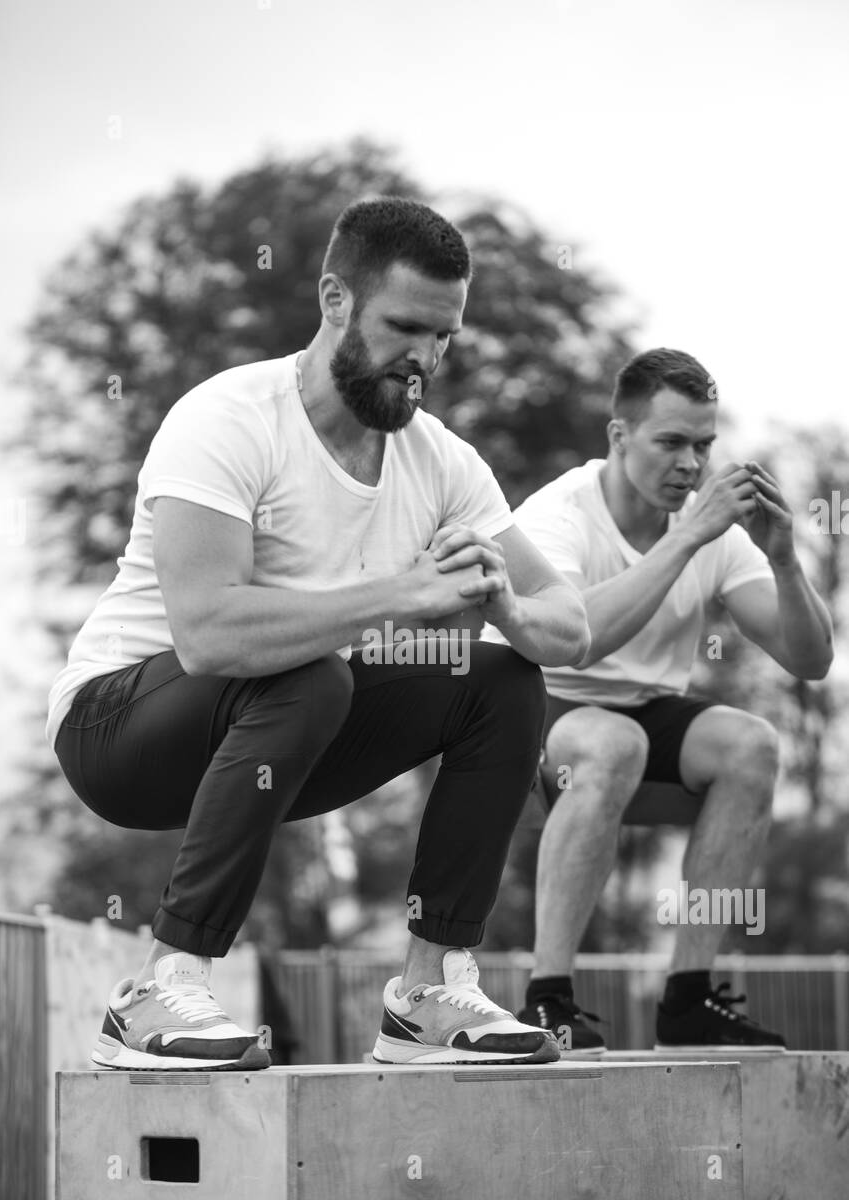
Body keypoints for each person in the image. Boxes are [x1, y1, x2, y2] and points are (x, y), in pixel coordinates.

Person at [45, 196, 590, 1070]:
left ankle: (427, 996)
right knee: (309, 677)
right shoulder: (228, 417)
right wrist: (399, 595)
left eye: (445, 338)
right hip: (119, 728)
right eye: (405, 327)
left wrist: (507, 610)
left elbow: (570, 626)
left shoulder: (443, 462)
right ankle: (156, 989)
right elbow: (210, 636)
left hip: (281, 738)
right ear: (336, 300)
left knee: (501, 680)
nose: (424, 360)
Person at [502, 348, 833, 1053]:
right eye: (672, 442)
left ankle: (688, 999)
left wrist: (781, 557)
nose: (691, 464)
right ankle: (547, 999)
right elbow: (573, 643)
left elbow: (810, 660)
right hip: (542, 722)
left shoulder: (708, 529)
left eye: (704, 445)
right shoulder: (559, 514)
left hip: (644, 725)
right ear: (620, 438)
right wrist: (686, 538)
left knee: (751, 745)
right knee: (613, 743)